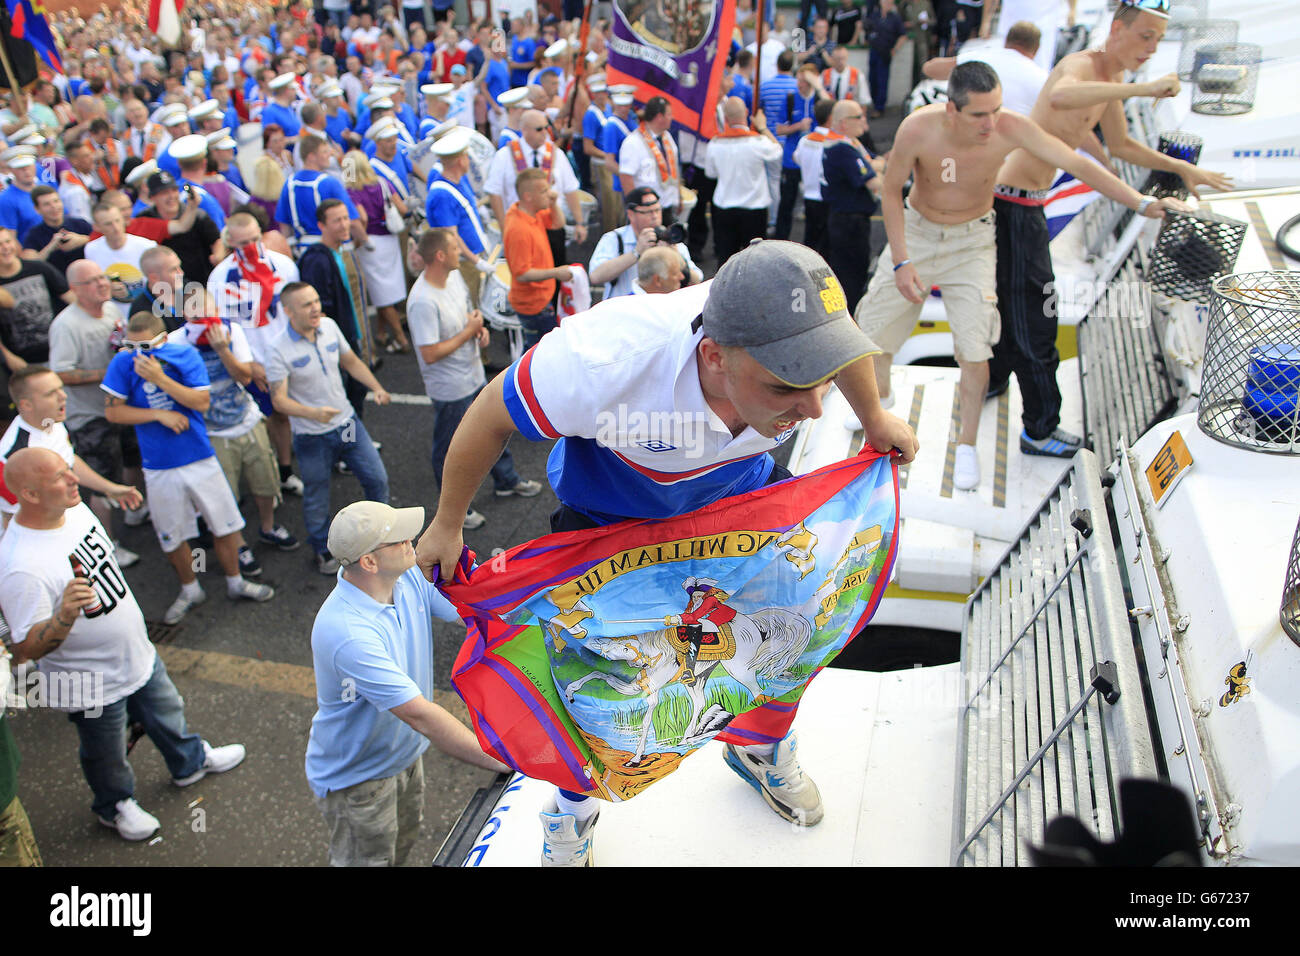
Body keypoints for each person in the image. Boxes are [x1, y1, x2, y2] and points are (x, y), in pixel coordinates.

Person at [414, 241, 918, 865]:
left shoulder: (778, 340)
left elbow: (840, 347)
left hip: (731, 506)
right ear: (713, 356)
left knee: (795, 623)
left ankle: (759, 746)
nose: (815, 409)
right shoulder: (604, 357)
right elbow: (492, 412)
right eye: (788, 384)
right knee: (597, 678)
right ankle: (573, 807)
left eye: (819, 380)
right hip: (611, 524)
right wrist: (447, 522)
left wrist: (873, 417)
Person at [855, 60, 1186, 492]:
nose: (991, 123)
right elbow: (893, 193)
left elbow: (1076, 162)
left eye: (996, 109)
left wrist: (1140, 203)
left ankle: (967, 444)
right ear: (951, 109)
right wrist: (901, 261)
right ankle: (878, 405)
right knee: (873, 333)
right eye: (979, 114)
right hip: (917, 232)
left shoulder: (1010, 127)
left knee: (976, 351)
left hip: (972, 242)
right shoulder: (918, 130)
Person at [986, 0, 1231, 462]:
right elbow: (1060, 98)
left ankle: (994, 381)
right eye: (1144, 36)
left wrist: (1178, 166)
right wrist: (1143, 91)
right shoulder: (1080, 66)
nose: (1151, 48)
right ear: (1116, 29)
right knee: (1035, 322)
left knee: (1011, 306)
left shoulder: (1111, 83)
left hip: (1027, 205)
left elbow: (1119, 145)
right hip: (1014, 205)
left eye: (1158, 40)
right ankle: (1039, 430)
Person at [0, 446, 246, 842]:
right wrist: (64, 615)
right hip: (87, 682)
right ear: (29, 494)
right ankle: (113, 807)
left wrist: (114, 489)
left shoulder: (73, 510)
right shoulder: (20, 565)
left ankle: (190, 763)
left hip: (135, 652)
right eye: (60, 477)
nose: (73, 479)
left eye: (69, 470)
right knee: (105, 751)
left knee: (167, 711)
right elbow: (25, 649)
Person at [102, 311, 276, 622]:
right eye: (134, 346)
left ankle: (235, 582)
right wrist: (158, 415)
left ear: (163, 339)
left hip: (199, 456)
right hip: (159, 465)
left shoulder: (184, 355)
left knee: (224, 525)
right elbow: (114, 413)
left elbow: (201, 402)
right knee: (172, 534)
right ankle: (189, 588)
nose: (141, 354)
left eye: (148, 347)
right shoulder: (122, 362)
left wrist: (160, 378)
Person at [408, 228, 540, 532]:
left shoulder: (452, 278)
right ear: (440, 256)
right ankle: (451, 512)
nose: (462, 252)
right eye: (455, 248)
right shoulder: (422, 302)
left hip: (472, 375)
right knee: (449, 447)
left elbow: (469, 312)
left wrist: (477, 328)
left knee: (494, 429)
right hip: (450, 389)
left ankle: (506, 480)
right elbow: (428, 353)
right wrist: (469, 332)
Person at [266, 281, 391, 575]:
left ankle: (380, 536)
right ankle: (323, 550)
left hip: (347, 424)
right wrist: (313, 413)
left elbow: (350, 361)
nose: (315, 308)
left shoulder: (330, 327)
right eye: (307, 304)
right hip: (312, 437)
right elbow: (279, 401)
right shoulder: (277, 350)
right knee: (317, 495)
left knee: (377, 479)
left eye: (316, 301)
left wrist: (376, 387)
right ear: (288, 311)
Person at [296, 199, 378, 421]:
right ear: (321, 226)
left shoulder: (340, 253)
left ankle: (352, 444)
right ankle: (349, 446)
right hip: (337, 341)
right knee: (347, 398)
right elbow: (319, 309)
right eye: (336, 221)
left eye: (346, 218)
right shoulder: (317, 260)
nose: (344, 225)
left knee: (355, 393)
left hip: (350, 335)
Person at [341, 150, 410, 353]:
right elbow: (403, 209)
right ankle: (381, 332)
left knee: (381, 293)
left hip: (371, 242)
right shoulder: (382, 182)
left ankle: (400, 337)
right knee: (389, 288)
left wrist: (360, 240)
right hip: (390, 239)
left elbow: (360, 217)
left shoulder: (352, 192)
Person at [820, 100, 884, 312]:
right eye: (858, 117)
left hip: (850, 219)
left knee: (852, 272)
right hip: (849, 222)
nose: (863, 121)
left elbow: (878, 162)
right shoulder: (842, 148)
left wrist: (873, 167)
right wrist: (875, 170)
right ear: (843, 122)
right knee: (851, 276)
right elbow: (872, 179)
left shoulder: (851, 143)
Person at [588, 186, 702, 299]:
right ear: (631, 215)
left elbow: (696, 281)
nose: (655, 216)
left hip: (661, 312)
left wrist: (676, 257)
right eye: (648, 212)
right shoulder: (614, 239)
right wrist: (636, 253)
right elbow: (595, 276)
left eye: (657, 210)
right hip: (623, 310)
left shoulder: (671, 240)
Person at [502, 168, 570, 351]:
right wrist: (556, 272)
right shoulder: (519, 229)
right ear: (528, 196)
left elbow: (558, 224)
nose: (550, 194)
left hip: (541, 301)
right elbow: (522, 274)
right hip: (534, 307)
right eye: (544, 191)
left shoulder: (533, 212)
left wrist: (554, 203)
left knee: (536, 349)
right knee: (540, 354)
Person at [0, 227, 73, 372]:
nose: (5, 248)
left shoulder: (39, 268)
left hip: (60, 352)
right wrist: (8, 357)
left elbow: (72, 299)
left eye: (7, 241)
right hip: (24, 362)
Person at [618, 97, 682, 224]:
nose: (672, 118)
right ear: (659, 117)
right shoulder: (633, 143)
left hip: (667, 207)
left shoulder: (667, 137)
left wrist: (678, 196)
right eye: (669, 114)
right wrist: (636, 209)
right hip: (646, 212)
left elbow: (673, 168)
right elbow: (626, 177)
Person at [84, 201, 157, 305]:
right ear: (97, 227)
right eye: (108, 224)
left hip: (146, 308)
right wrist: (108, 289)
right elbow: (92, 285)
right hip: (113, 312)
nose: (116, 228)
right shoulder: (91, 249)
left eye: (117, 221)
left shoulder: (147, 247)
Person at [21, 186, 92, 275]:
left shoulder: (80, 224)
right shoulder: (33, 235)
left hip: (87, 274)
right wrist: (51, 247)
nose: (54, 207)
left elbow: (103, 240)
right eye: (47, 204)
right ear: (37, 209)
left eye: (56, 201)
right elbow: (29, 265)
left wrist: (81, 240)